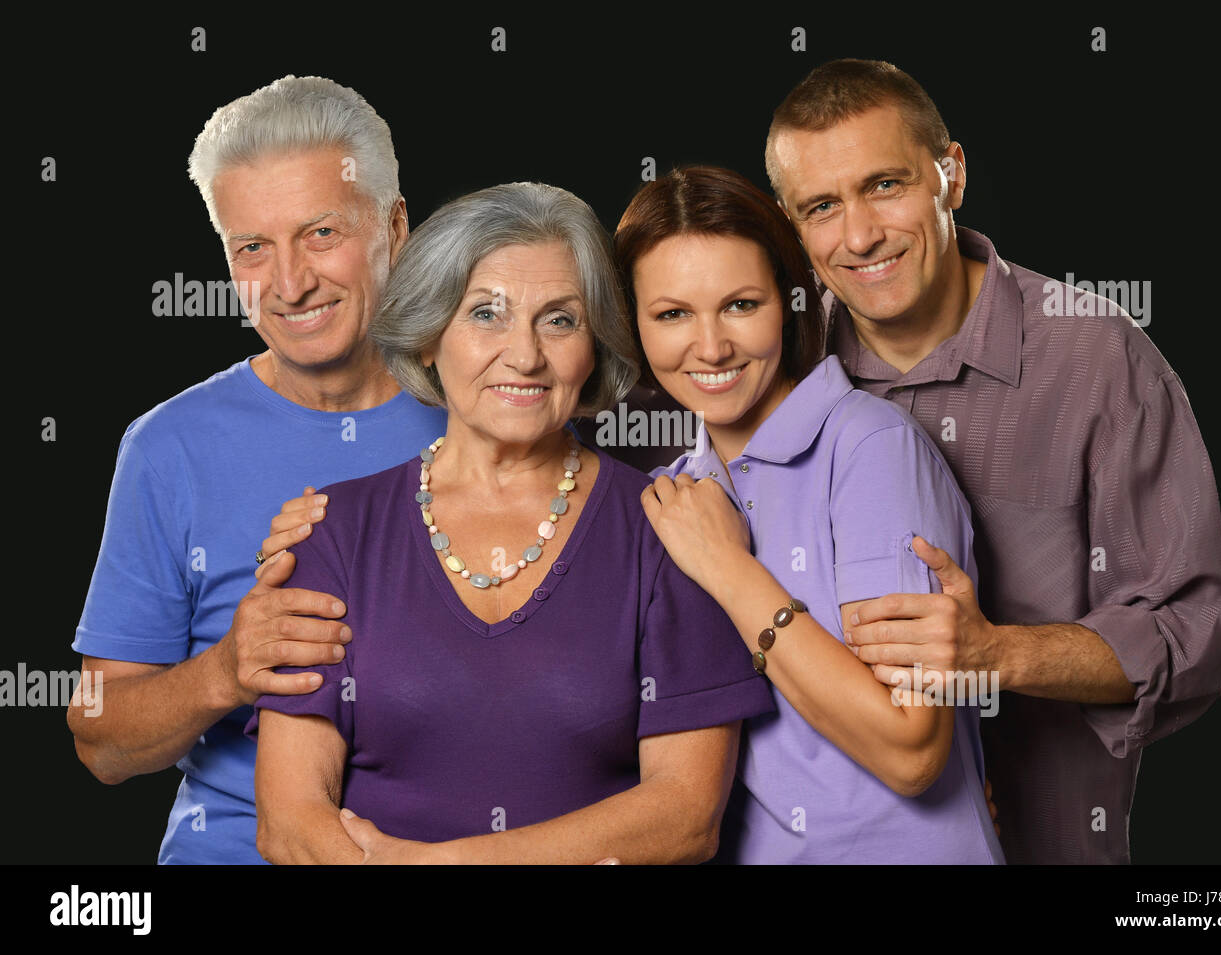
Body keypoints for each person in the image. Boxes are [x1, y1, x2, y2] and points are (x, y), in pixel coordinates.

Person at [765, 59, 1221, 863]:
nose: (859, 234)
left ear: (951, 174)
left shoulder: (1098, 358)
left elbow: (1193, 636)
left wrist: (996, 654)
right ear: (788, 223)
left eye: (885, 185)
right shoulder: (771, 369)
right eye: (821, 206)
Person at [246, 181, 775, 864]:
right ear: (431, 337)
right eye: (486, 314)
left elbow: (684, 817)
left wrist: (451, 864)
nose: (524, 355)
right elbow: (289, 820)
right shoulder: (331, 532)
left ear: (594, 353)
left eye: (560, 319)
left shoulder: (671, 531)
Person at [67, 76, 448, 864]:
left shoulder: (493, 410)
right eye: (252, 248)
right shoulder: (168, 446)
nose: (289, 283)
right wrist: (223, 672)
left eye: (320, 233)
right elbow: (99, 739)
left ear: (395, 225)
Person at [621, 165, 1003, 863]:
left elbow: (911, 746)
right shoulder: (671, 496)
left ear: (791, 303)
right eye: (672, 313)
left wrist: (728, 568)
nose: (710, 346)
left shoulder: (870, 448)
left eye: (740, 304)